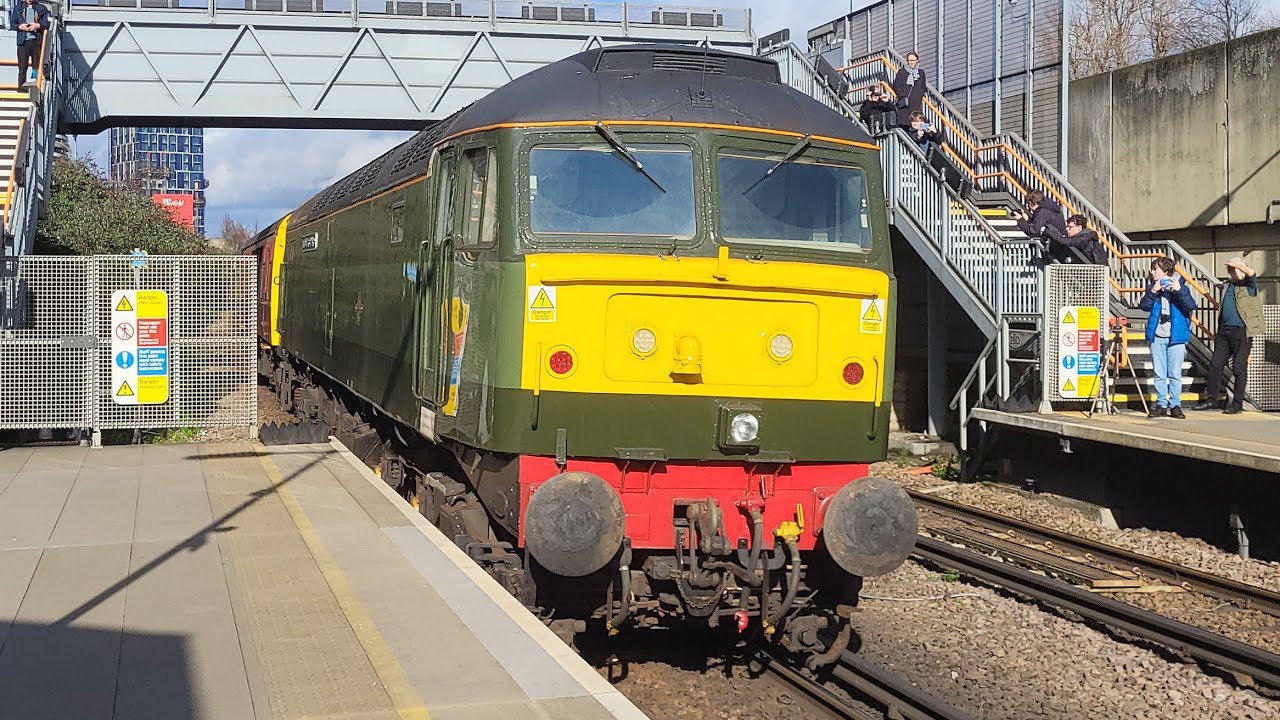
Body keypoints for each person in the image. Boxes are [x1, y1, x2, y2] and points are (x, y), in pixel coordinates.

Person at [1193, 257, 1263, 414]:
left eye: (1233, 269)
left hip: (1241, 331)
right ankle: (1212, 399)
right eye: (1229, 269)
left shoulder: (1248, 284)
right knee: (1216, 364)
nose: (1231, 272)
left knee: (1239, 368)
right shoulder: (1228, 284)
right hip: (1224, 331)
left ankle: (1237, 403)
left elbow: (1251, 273)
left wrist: (1238, 265)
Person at [1139, 257, 1197, 419]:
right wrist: (1153, 291)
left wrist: (1178, 290)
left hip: (1176, 335)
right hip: (1157, 335)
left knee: (1174, 372)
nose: (1152, 272)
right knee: (1159, 372)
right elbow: (1144, 306)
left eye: (1155, 269)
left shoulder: (1180, 286)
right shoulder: (1153, 287)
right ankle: (1161, 404)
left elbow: (1191, 305)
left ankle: (1175, 405)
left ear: (1165, 271)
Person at [11, 0, 48, 87]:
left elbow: (46, 24)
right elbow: (13, 24)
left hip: (36, 41)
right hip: (23, 42)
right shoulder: (18, 8)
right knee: (22, 67)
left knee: (36, 66)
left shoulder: (41, 8)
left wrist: (37, 25)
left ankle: (37, 86)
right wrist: (20, 27)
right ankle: (21, 87)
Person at [891, 51, 927, 127]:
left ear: (917, 61)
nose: (911, 62)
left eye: (913, 60)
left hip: (916, 102)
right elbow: (896, 86)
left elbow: (923, 86)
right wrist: (903, 95)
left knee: (916, 121)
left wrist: (919, 94)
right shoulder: (902, 72)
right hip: (905, 102)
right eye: (910, 60)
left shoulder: (920, 73)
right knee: (905, 122)